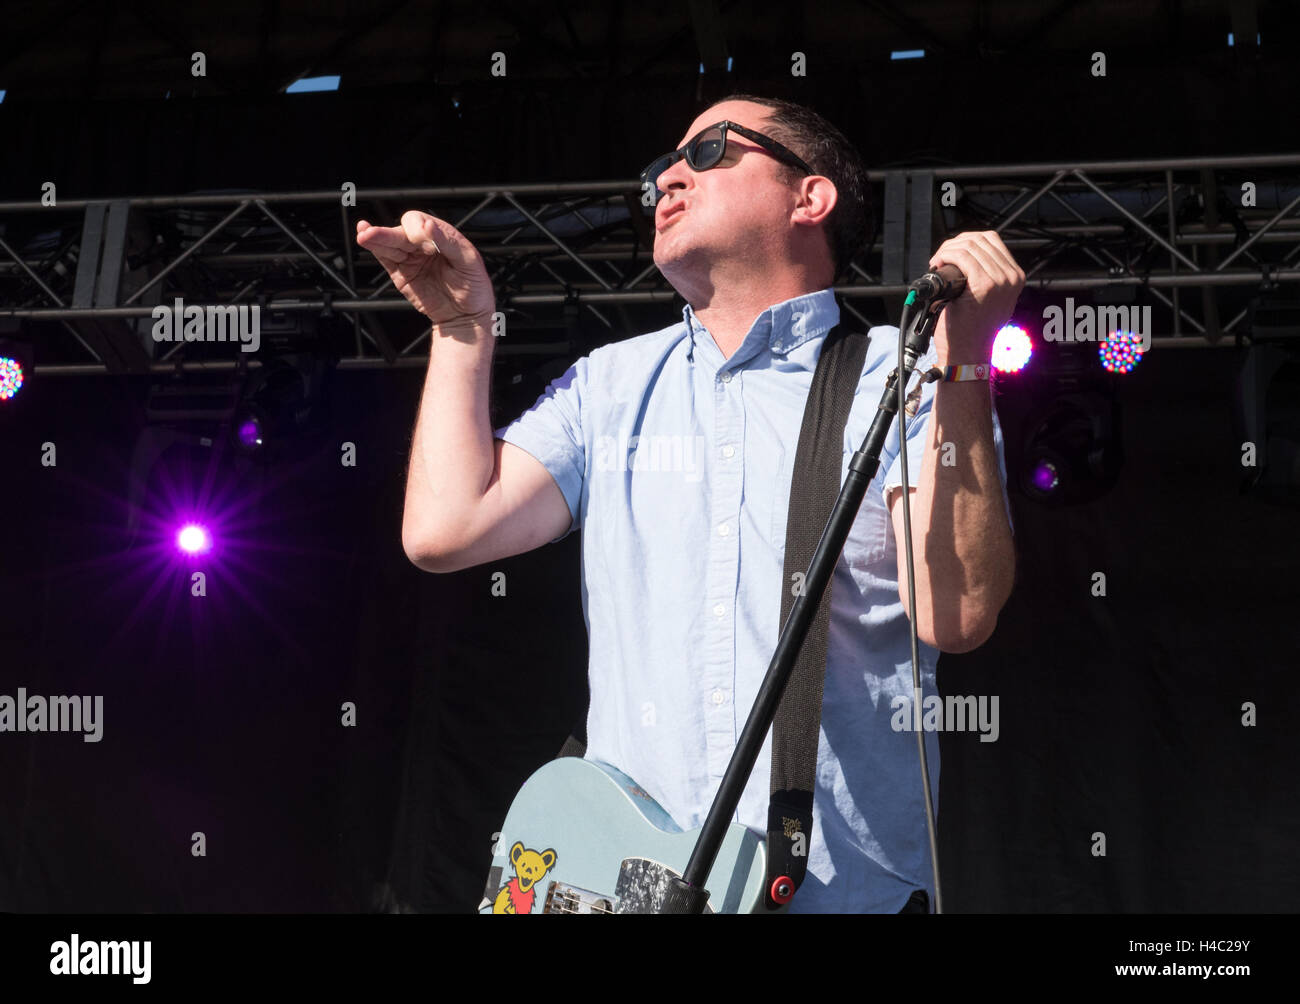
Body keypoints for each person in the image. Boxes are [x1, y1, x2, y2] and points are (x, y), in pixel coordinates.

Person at [356, 93, 1020, 913]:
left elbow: (956, 616)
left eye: (708, 152)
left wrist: (964, 371)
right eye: (658, 168)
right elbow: (445, 528)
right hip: (626, 891)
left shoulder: (905, 371)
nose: (667, 177)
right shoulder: (610, 384)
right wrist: (462, 329)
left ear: (809, 198)